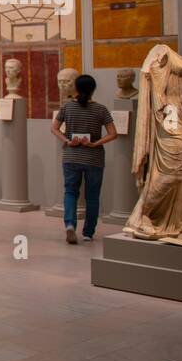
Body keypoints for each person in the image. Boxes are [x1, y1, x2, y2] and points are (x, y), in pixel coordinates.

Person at [50, 73, 117, 244]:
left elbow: (54, 128)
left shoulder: (68, 107)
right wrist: (96, 143)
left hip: (72, 156)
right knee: (92, 196)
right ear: (94, 89)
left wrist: (67, 140)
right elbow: (113, 134)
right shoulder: (101, 109)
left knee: (71, 192)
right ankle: (88, 232)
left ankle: (70, 225)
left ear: (76, 88)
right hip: (94, 158)